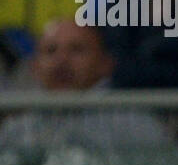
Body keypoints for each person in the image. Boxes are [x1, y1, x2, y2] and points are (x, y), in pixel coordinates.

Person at [0, 21, 166, 148]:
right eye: (51, 51)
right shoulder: (16, 130)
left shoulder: (136, 125)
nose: (61, 61)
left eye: (76, 49)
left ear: (105, 64)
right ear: (35, 67)